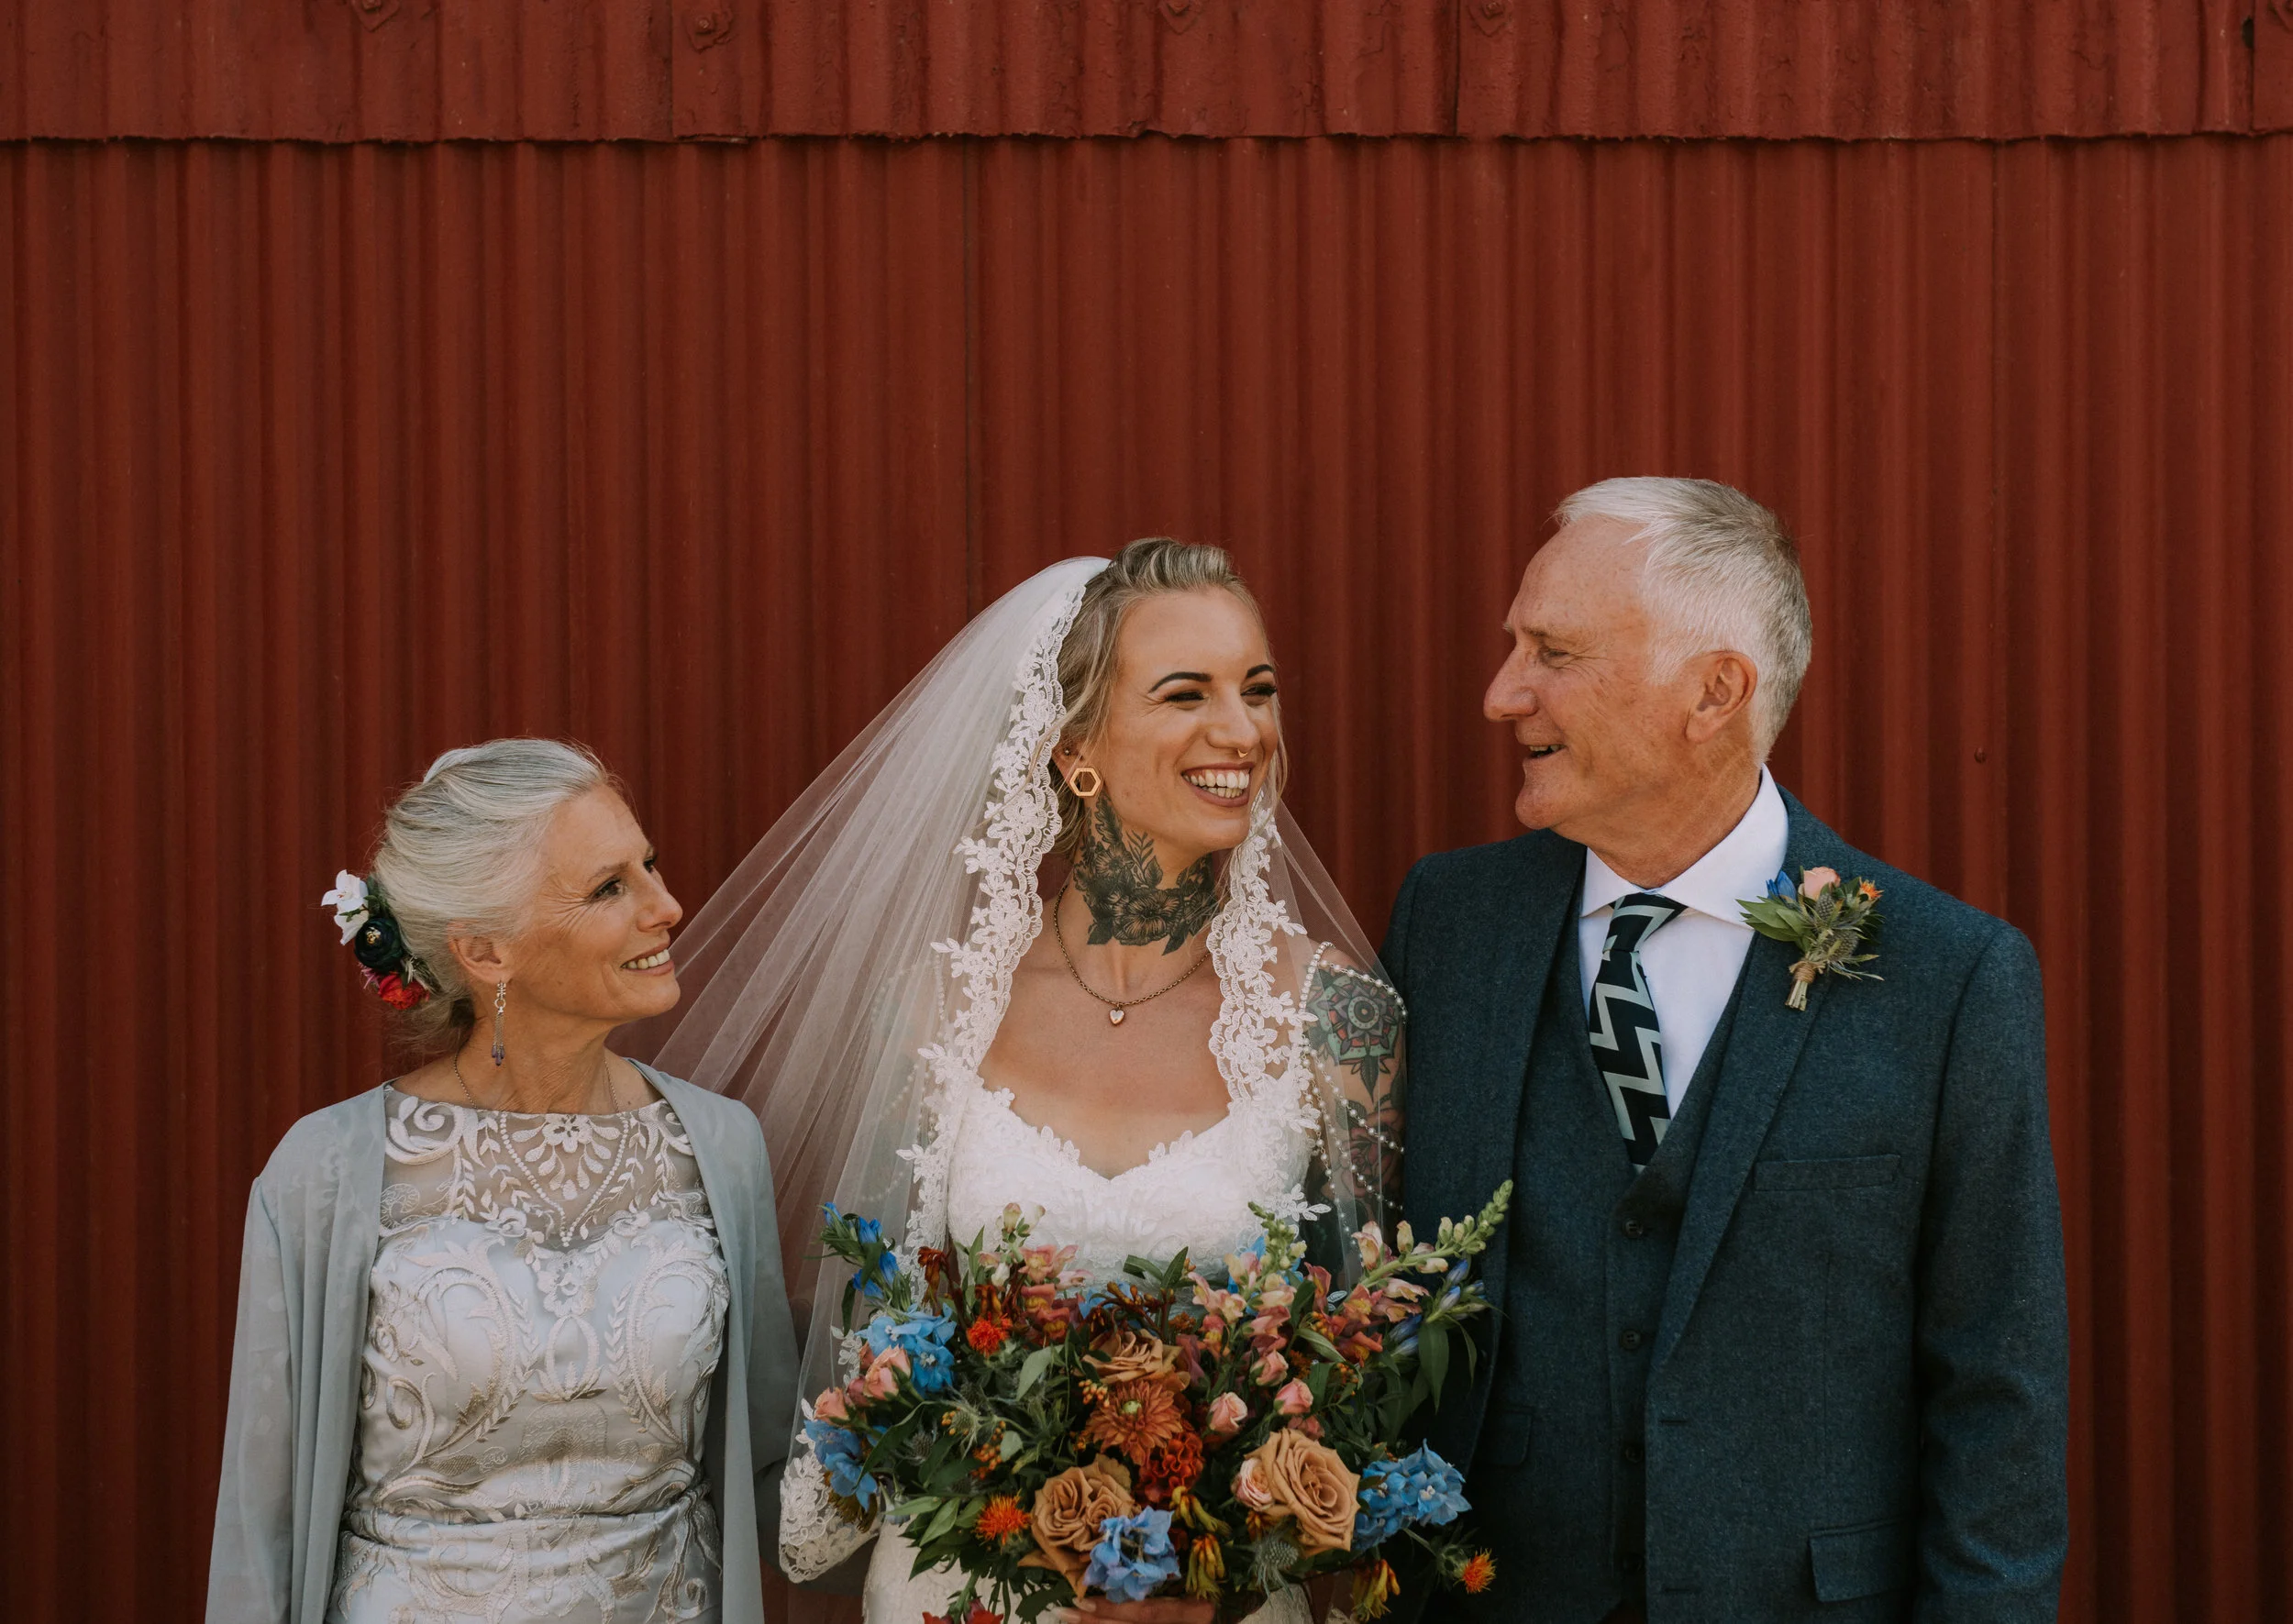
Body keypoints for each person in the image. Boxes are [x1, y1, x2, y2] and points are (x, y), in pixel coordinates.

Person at [642, 541, 1402, 1622]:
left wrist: (1225, 1575)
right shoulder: (934, 1007)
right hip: (965, 1587)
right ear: (1072, 745)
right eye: (1187, 694)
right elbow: (874, 1338)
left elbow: (1364, 1363)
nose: (1243, 732)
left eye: (1259, 688)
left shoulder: (1339, 1018)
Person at [1384, 479, 2068, 1622]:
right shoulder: (1447, 924)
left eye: (1552, 651)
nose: (1504, 693)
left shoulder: (1952, 979)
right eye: (1514, 646)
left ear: (1714, 692)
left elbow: (1997, 1393)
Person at [206, 738, 803, 1624]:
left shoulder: (719, 1146)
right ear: (487, 952)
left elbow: (771, 1475)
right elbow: (262, 1526)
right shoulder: (323, 1172)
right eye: (610, 887)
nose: (667, 905)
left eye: (650, 866)